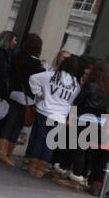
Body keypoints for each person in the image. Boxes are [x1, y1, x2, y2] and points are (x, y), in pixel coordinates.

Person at [23, 50, 80, 178]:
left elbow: (32, 79)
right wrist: (70, 120)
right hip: (60, 116)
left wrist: (38, 93)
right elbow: (73, 103)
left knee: (38, 139)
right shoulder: (75, 84)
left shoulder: (51, 75)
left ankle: (32, 167)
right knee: (50, 143)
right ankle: (40, 170)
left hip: (44, 111)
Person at [0, 33, 44, 166]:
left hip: (13, 93)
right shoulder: (36, 63)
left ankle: (1, 152)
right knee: (17, 125)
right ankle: (8, 154)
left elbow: (10, 74)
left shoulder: (16, 57)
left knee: (9, 122)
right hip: (26, 97)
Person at [66, 62, 109, 186]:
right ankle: (78, 177)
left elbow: (76, 103)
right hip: (98, 125)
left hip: (83, 121)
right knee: (84, 151)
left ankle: (75, 179)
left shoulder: (90, 86)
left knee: (79, 150)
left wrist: (70, 121)